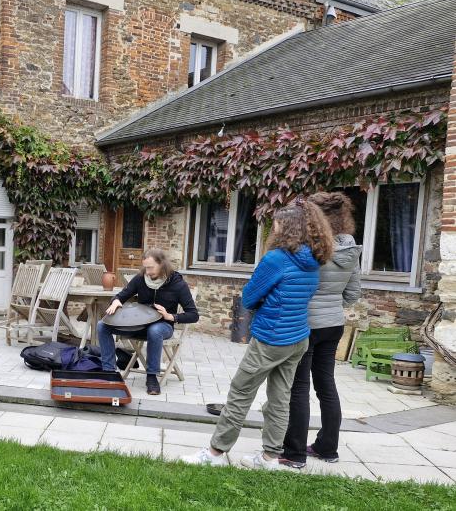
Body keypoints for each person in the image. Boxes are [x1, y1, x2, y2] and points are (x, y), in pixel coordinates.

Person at [181, 198, 335, 470]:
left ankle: (215, 453)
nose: (272, 228)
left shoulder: (276, 259)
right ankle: (270, 458)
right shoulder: (314, 259)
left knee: (240, 393)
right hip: (298, 337)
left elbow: (249, 298)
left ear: (287, 227)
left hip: (271, 337)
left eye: (275, 223)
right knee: (280, 399)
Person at [280, 192, 362, 469]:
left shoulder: (312, 247)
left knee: (299, 387)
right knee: (326, 385)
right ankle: (328, 448)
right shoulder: (350, 250)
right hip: (334, 324)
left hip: (306, 324)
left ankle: (293, 453)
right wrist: (331, 301)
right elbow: (353, 293)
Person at [97, 248, 198, 395]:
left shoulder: (178, 284)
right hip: (138, 325)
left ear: (162, 264)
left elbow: (193, 315)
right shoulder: (140, 279)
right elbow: (122, 295)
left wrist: (171, 317)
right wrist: (116, 301)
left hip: (163, 326)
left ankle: (151, 377)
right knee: (102, 326)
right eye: (145, 267)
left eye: (151, 267)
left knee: (155, 330)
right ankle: (109, 372)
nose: (148, 272)